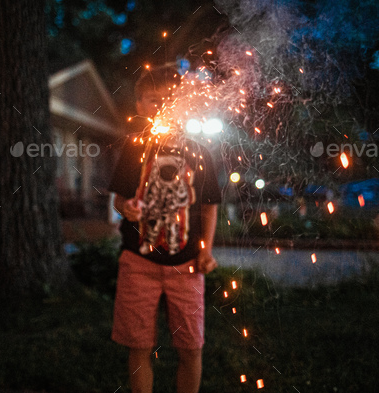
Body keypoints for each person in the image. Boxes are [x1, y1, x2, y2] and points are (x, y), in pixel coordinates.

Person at [108, 67, 221, 393]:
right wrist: (125, 207)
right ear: (140, 105)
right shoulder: (135, 147)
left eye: (169, 100)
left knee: (190, 347)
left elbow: (209, 205)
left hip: (186, 266)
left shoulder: (199, 151)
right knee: (139, 345)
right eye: (153, 100)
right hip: (138, 264)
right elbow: (119, 198)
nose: (161, 107)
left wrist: (207, 251)